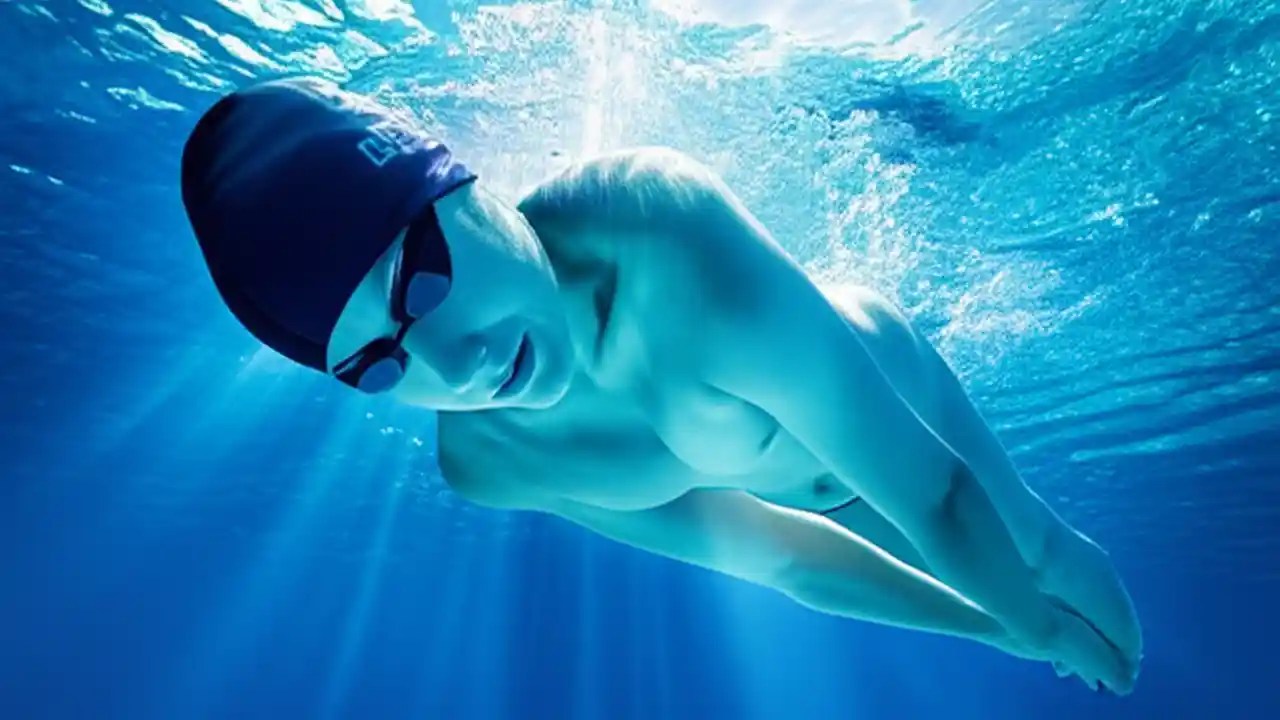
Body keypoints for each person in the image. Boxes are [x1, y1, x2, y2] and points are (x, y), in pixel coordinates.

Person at [180, 77, 1142, 693]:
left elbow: (935, 491)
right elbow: (786, 562)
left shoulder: (655, 225)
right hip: (845, 495)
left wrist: (1031, 609)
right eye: (380, 363)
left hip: (908, 421)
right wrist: (1002, 630)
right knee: (1035, 614)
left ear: (460, 184)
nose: (458, 368)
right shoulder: (487, 459)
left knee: (1049, 553)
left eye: (419, 284)